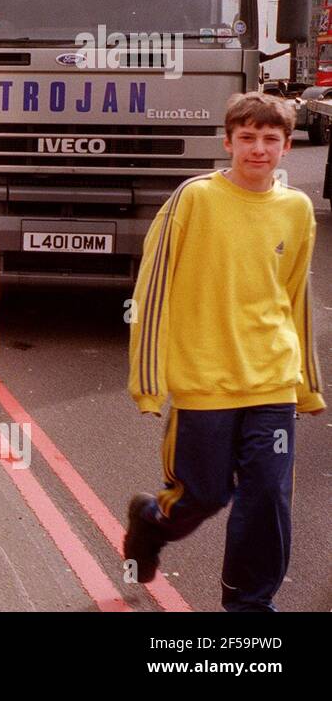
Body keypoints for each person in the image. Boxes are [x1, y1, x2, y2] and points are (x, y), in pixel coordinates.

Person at [123, 92, 324, 611]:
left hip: (272, 381)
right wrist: (148, 381)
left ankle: (248, 608)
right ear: (228, 141)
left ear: (286, 147)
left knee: (268, 499)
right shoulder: (194, 197)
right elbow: (152, 288)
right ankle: (151, 522)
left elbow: (296, 295)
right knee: (204, 495)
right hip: (204, 383)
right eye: (248, 138)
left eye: (271, 140)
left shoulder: (297, 208)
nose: (258, 149)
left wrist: (306, 384)